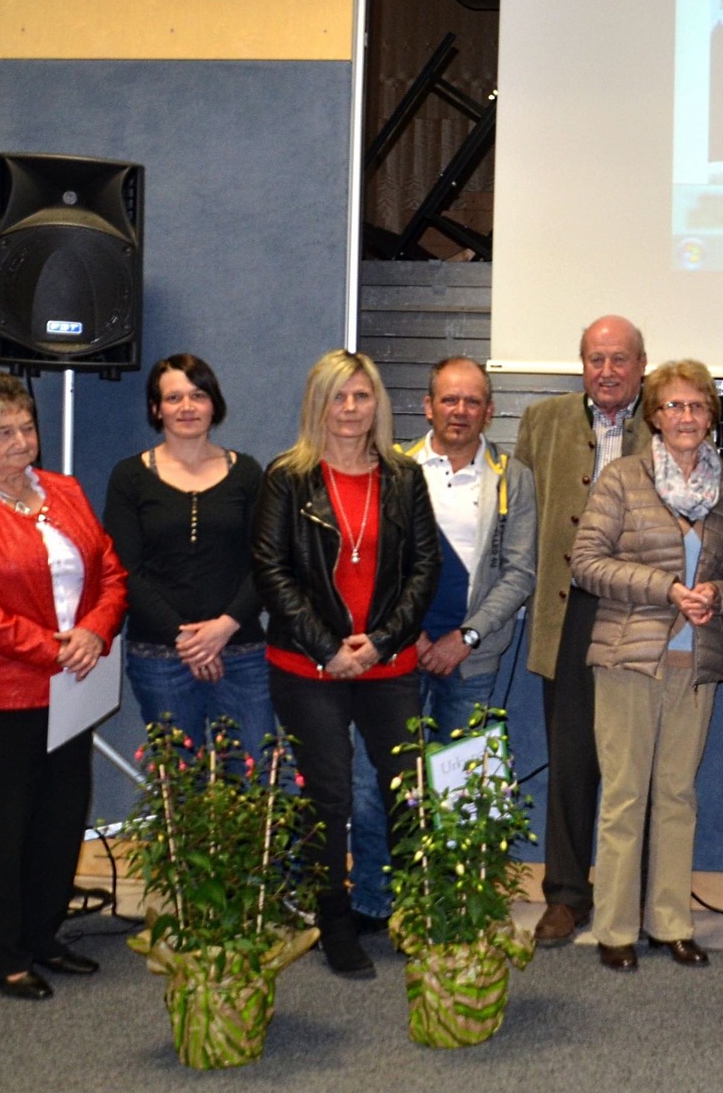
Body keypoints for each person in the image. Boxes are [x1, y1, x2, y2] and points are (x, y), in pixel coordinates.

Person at [0, 371, 127, 1000]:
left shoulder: (63, 490)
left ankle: (44, 938)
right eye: (1, 431)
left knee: (59, 822)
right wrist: (51, 649)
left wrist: (93, 630)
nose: (19, 440)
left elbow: (111, 571)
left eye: (26, 427)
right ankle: (3, 955)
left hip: (69, 688)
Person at [252, 349, 440, 978]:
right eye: (340, 396)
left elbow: (424, 569)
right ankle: (334, 922)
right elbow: (272, 572)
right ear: (319, 404)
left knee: (406, 796)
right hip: (309, 668)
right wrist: (329, 647)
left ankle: (409, 913)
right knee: (327, 797)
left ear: (378, 405)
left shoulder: (404, 477)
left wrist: (381, 641)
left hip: (387, 666)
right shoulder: (288, 477)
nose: (352, 409)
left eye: (363, 397)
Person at [346, 356, 540, 925]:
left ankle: (453, 902)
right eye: (448, 400)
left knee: (463, 784)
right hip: (394, 655)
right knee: (376, 778)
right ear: (427, 406)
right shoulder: (388, 467)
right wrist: (403, 637)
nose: (460, 411)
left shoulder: (514, 477)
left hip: (473, 658)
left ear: (490, 410)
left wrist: (467, 637)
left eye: (472, 400)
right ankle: (374, 901)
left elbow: (520, 571)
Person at [570, 359, 723, 972]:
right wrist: (665, 587)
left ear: (710, 417)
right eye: (673, 406)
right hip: (627, 659)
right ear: (655, 417)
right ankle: (615, 926)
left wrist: (717, 595)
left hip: (694, 663)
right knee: (623, 795)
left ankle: (671, 921)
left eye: (696, 406)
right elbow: (585, 562)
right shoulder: (621, 479)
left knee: (677, 793)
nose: (685, 417)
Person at [515, 315, 650, 946]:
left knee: (633, 762)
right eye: (596, 359)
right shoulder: (543, 424)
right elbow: (517, 520)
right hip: (566, 611)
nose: (607, 371)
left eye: (620, 359)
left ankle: (634, 894)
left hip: (641, 615)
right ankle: (566, 895)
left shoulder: (667, 424)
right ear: (582, 365)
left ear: (641, 367)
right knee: (570, 759)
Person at [104, 354, 272, 755]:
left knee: (257, 783)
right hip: (160, 658)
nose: (187, 407)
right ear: (155, 408)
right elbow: (125, 571)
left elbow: (268, 562)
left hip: (241, 651)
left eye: (198, 395)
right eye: (174, 397)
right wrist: (186, 640)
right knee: (180, 789)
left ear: (214, 404)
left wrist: (223, 629)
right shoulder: (129, 477)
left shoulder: (248, 473)